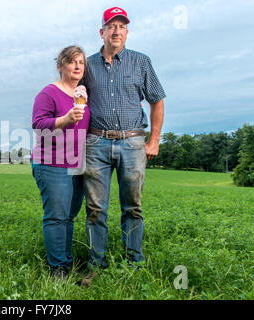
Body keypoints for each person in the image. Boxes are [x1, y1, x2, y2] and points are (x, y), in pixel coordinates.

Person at [80, 7, 166, 287]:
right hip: (96, 142)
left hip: (132, 141)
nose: (116, 31)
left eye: (122, 27)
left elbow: (157, 100)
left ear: (127, 32)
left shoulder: (141, 62)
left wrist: (153, 139)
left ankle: (135, 264)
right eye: (111, 26)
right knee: (95, 208)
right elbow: (75, 98)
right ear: (101, 32)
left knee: (133, 206)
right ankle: (96, 266)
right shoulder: (87, 65)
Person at [31, 45, 91, 280]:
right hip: (52, 163)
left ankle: (65, 262)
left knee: (69, 216)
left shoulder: (83, 94)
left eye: (81, 62)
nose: (77, 66)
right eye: (72, 61)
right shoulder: (48, 93)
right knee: (56, 217)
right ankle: (58, 271)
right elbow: (38, 125)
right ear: (60, 66)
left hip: (77, 164)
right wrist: (64, 119)